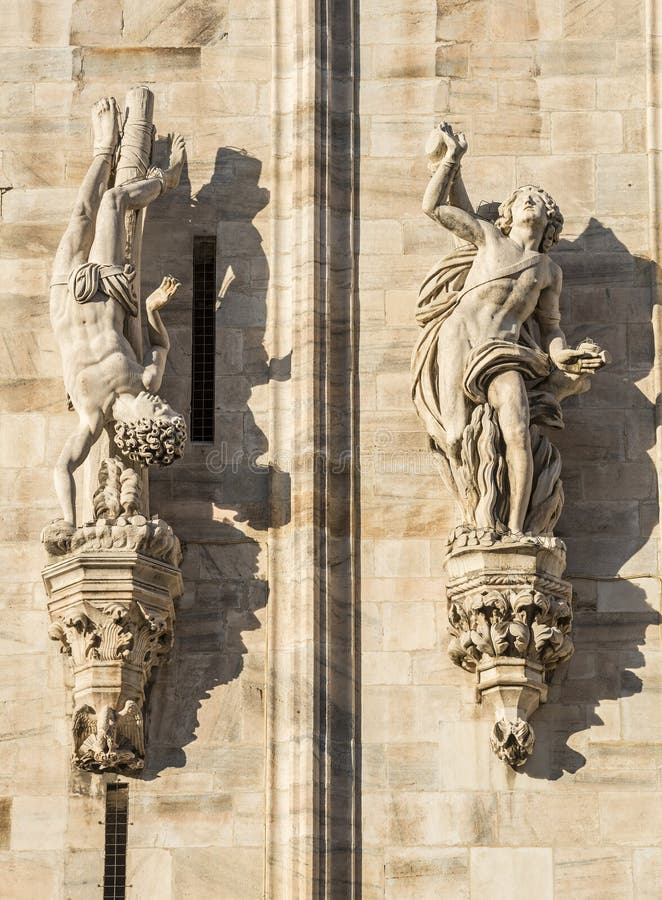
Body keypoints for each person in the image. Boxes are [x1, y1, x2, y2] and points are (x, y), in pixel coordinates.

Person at [412, 123, 607, 535]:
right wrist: (452, 160)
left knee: (518, 429)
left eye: (538, 199)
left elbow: (550, 327)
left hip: (503, 350)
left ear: (549, 218)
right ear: (510, 212)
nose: (531, 203)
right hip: (460, 335)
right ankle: (478, 517)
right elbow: (433, 207)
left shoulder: (549, 271)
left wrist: (564, 355)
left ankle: (518, 530)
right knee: (455, 436)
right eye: (524, 199)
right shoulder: (487, 238)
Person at [48, 97, 187, 528]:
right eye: (164, 407)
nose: (158, 402)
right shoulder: (145, 380)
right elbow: (160, 343)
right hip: (107, 295)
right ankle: (152, 174)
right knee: (109, 203)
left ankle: (108, 153)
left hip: (66, 306)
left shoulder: (93, 419)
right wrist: (151, 308)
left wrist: (68, 523)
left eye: (159, 411)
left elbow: (64, 468)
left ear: (145, 427)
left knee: (78, 218)